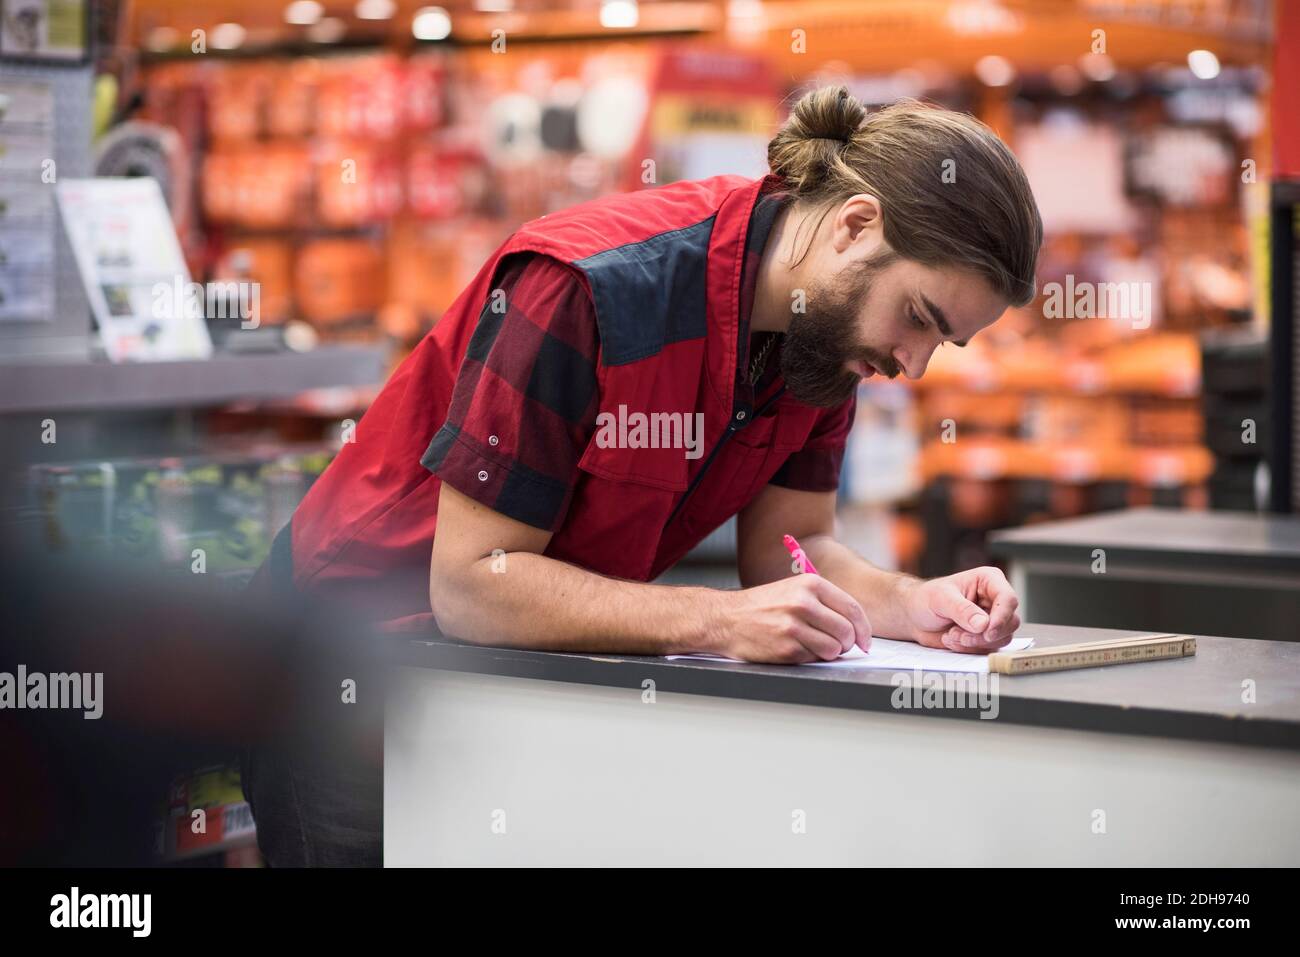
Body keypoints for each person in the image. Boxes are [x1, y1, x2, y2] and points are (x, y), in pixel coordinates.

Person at [245, 86, 1043, 864]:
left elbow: (792, 552)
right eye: (918, 319)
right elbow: (470, 584)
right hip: (347, 671)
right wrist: (717, 620)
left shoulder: (822, 349)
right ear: (855, 225)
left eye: (944, 344)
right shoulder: (589, 287)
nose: (911, 363)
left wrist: (913, 602)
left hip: (510, 677)